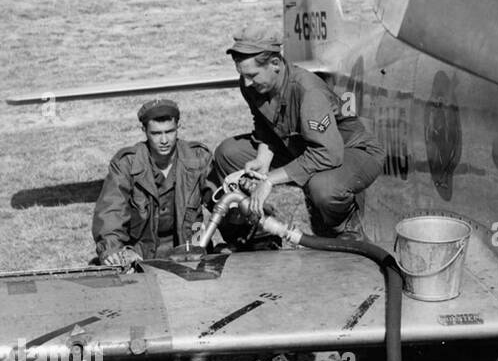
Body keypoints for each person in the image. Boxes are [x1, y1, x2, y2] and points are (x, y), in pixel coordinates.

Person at [212, 28, 383, 239]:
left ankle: (347, 231)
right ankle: (259, 231)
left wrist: (269, 180)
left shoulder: (309, 92)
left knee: (323, 188)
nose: (246, 83)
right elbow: (265, 123)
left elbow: (328, 153)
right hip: (301, 148)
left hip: (348, 151)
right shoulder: (252, 84)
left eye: (252, 75)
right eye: (242, 75)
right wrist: (262, 160)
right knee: (228, 153)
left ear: (275, 64)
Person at [93, 99, 213, 266]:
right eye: (156, 134)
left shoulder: (198, 158)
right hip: (141, 256)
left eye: (169, 132)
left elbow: (221, 200)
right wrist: (112, 250)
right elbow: (111, 211)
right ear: (144, 131)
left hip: (190, 255)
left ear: (179, 127)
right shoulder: (126, 164)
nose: (164, 140)